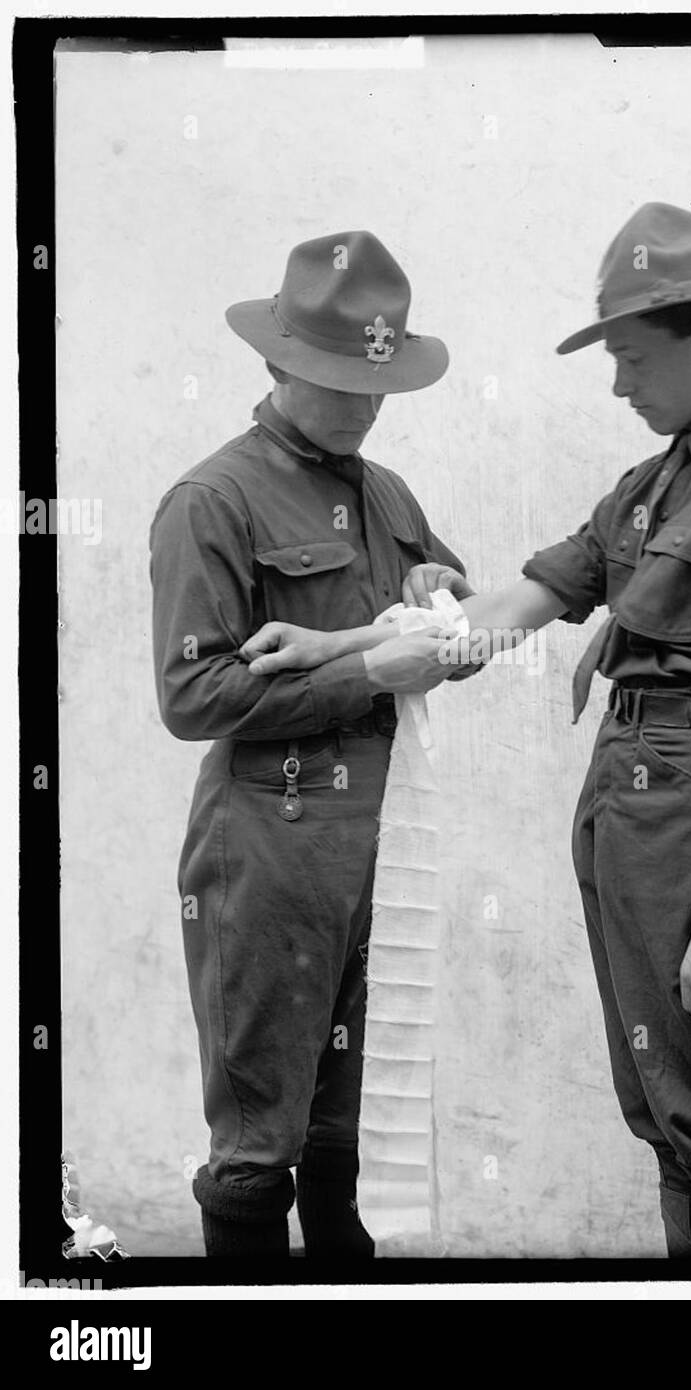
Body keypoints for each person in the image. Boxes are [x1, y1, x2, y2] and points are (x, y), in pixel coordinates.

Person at [244, 204, 691, 1259]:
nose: (619, 385)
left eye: (631, 358)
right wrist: (328, 646)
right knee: (661, 1107)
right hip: (629, 816)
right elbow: (505, 613)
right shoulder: (661, 477)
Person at [150, 230, 474, 1259]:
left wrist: (437, 595)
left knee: (344, 1134)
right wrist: (370, 669)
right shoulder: (212, 501)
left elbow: (452, 605)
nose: (363, 405)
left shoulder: (385, 493)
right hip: (271, 849)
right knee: (258, 1145)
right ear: (277, 361)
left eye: (377, 384)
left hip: (384, 846)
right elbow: (192, 692)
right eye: (340, 382)